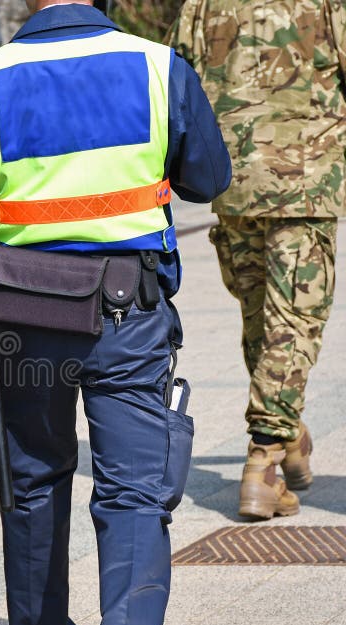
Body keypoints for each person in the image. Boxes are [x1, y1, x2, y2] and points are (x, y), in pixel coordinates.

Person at [0, 1, 231, 625]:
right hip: (128, 312)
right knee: (133, 490)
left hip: (21, 320)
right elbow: (208, 178)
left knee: (31, 480)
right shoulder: (158, 66)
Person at [172, 0, 345, 521]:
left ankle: (289, 435)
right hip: (306, 182)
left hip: (233, 183)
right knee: (291, 324)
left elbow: (176, 86)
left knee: (262, 322)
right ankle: (265, 457)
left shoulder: (201, 4)